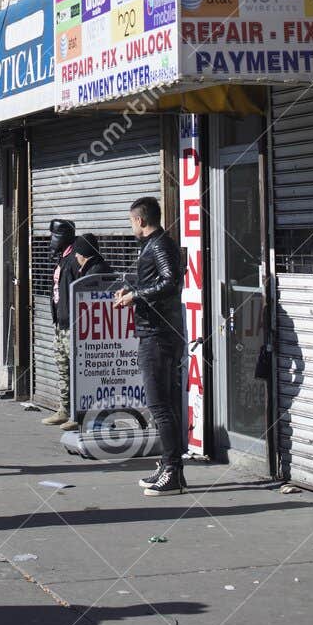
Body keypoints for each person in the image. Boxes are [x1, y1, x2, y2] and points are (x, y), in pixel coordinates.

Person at [113, 196, 186, 494]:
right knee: (163, 403)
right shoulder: (153, 245)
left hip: (159, 334)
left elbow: (171, 281)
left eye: (131, 221)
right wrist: (132, 289)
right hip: (155, 331)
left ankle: (173, 472)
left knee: (160, 404)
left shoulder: (159, 244)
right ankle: (169, 465)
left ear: (140, 220)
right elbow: (157, 280)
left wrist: (135, 296)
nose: (131, 226)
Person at [42, 218, 77, 428]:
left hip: (72, 324)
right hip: (60, 323)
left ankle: (76, 413)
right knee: (62, 367)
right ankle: (64, 408)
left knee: (74, 368)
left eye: (55, 236)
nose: (51, 241)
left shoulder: (74, 259)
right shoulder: (61, 259)